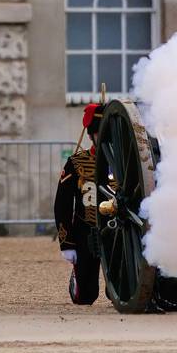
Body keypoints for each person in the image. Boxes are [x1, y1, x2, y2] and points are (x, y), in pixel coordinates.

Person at [53, 104, 102, 305]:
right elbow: (63, 205)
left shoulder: (125, 161)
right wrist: (68, 243)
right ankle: (78, 279)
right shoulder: (76, 162)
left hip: (118, 228)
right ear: (91, 135)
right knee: (86, 296)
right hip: (87, 229)